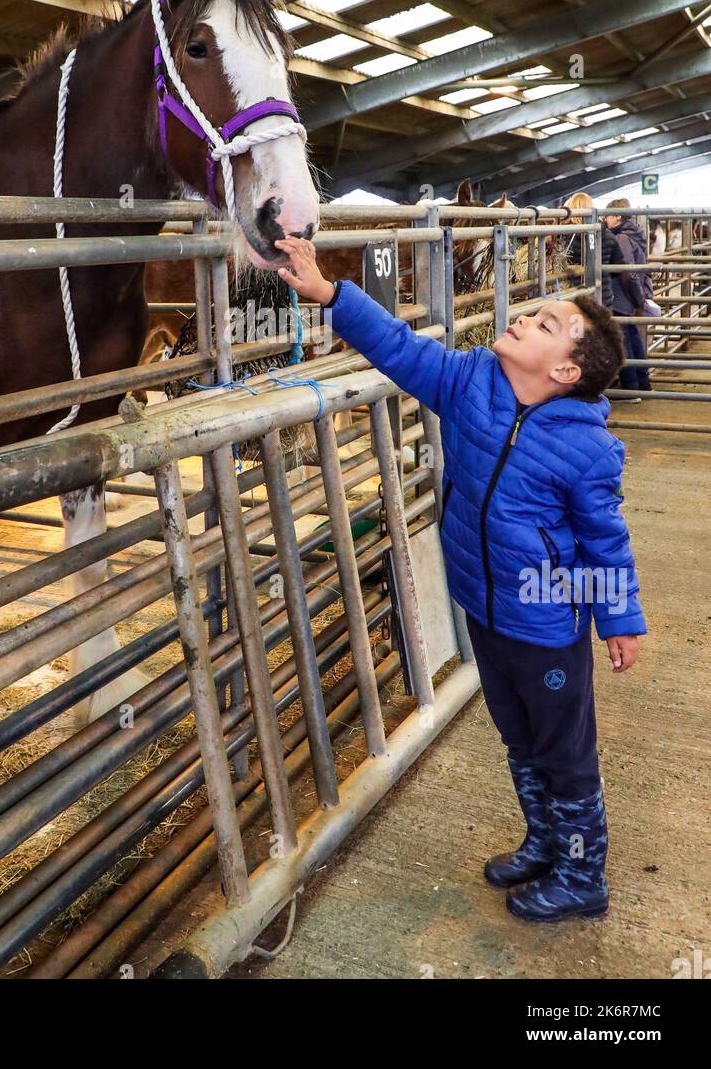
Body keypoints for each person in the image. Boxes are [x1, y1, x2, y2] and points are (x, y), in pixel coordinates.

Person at [276, 235, 647, 924]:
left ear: (567, 371)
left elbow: (606, 542)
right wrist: (331, 295)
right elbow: (400, 348)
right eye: (534, 311)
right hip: (485, 607)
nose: (525, 317)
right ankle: (543, 843)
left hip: (546, 619)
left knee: (564, 751)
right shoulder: (472, 381)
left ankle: (582, 871)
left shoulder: (588, 446)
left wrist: (619, 619)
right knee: (517, 737)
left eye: (545, 324)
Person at [603, 199, 652, 394]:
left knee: (622, 341)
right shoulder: (634, 233)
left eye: (607, 216)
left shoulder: (621, 237)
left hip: (621, 296)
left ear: (617, 216)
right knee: (632, 337)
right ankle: (642, 383)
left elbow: (627, 272)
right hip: (628, 295)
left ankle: (630, 386)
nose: (605, 220)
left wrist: (637, 298)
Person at [561, 191, 619, 311]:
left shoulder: (563, 236)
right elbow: (618, 268)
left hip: (573, 298)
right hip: (603, 298)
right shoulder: (608, 235)